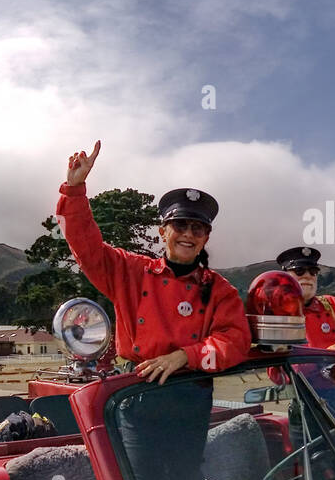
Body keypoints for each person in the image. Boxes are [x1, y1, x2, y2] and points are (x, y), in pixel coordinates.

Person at [56, 141, 248, 383]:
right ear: (162, 232)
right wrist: (74, 189)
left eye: (197, 228)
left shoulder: (221, 291)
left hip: (191, 392)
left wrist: (184, 356)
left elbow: (234, 341)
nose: (188, 234)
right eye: (180, 225)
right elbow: (85, 245)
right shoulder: (130, 270)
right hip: (133, 388)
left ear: (205, 238)